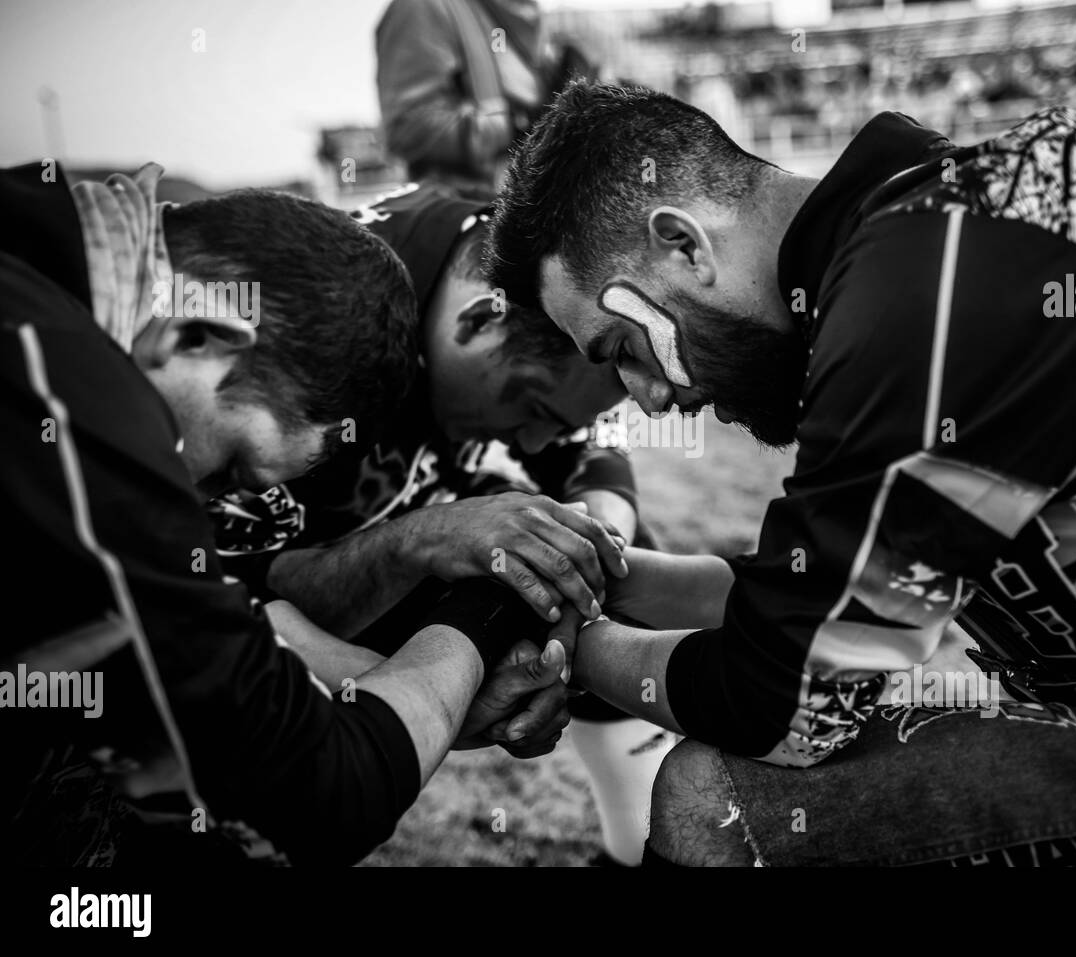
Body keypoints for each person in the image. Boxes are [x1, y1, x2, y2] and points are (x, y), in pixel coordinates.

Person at [485, 80, 1076, 865]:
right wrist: (604, 576)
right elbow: (830, 604)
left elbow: (786, 706)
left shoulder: (923, 284)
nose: (650, 400)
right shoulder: (955, 231)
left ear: (685, 244)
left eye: (625, 350)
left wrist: (567, 651)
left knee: (715, 801)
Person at [0, 161, 597, 865]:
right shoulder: (67, 393)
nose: (202, 499)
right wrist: (469, 636)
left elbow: (232, 619)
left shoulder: (48, 268)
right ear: (197, 335)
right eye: (229, 468)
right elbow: (320, 796)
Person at [208, 182, 673, 866]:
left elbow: (587, 436)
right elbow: (229, 593)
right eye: (533, 406)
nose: (538, 443)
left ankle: (638, 841)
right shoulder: (322, 333)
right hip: (280, 587)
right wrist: (422, 546)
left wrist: (600, 539)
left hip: (385, 529)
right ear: (480, 322)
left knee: (581, 555)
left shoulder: (507, 248)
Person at [376, 0, 586, 198]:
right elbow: (407, 127)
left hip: (532, 213)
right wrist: (515, 124)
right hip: (463, 219)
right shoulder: (423, 7)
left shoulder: (530, 15)